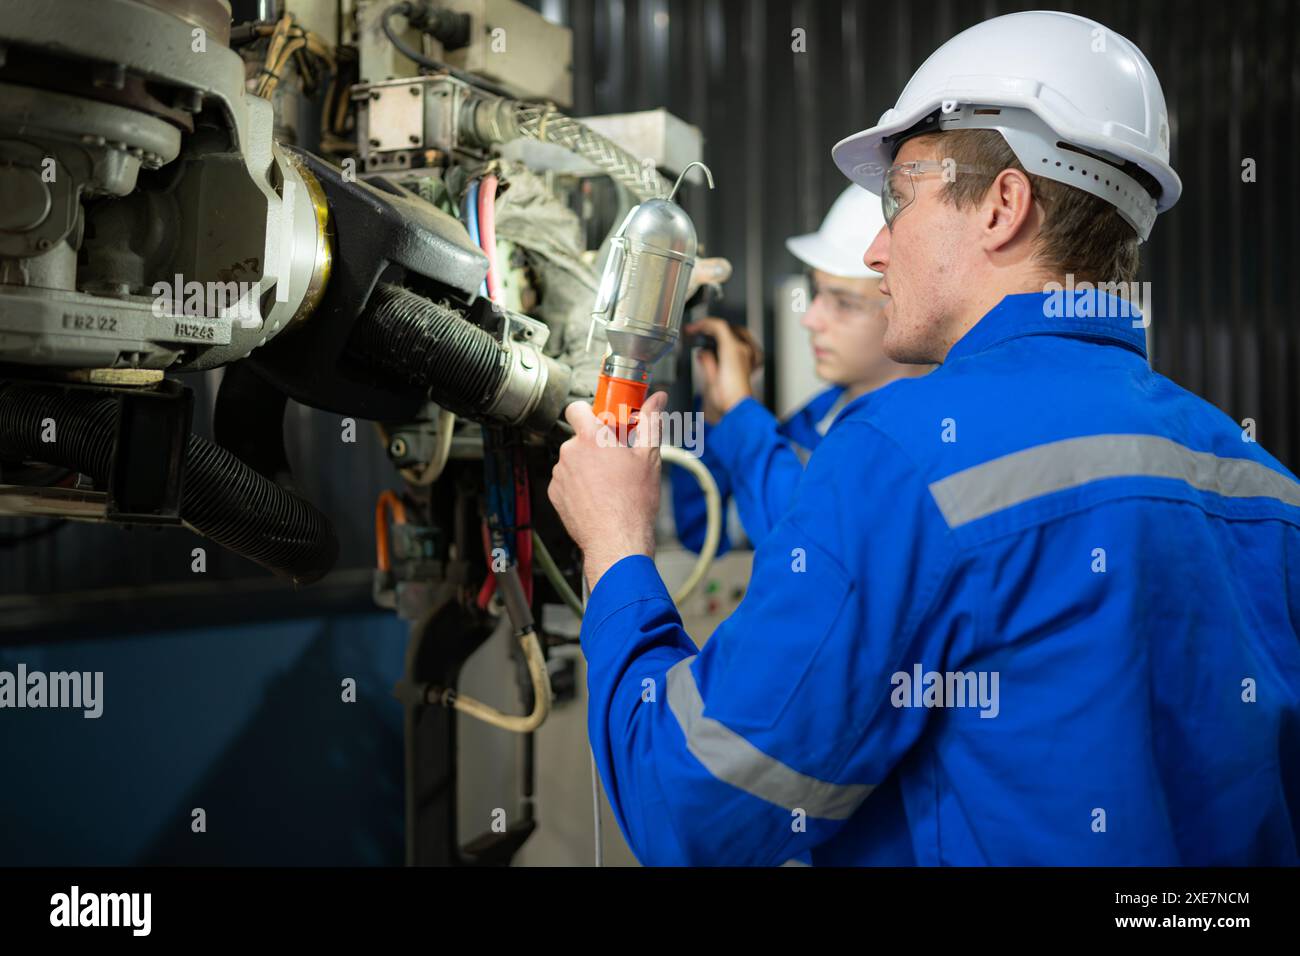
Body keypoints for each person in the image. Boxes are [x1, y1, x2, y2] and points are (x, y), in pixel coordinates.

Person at [547, 10, 1300, 865]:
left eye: (897, 201)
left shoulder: (905, 457)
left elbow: (688, 803)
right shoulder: (1268, 491)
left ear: (1003, 208)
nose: (874, 249)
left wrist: (613, 545)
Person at [671, 185, 930, 554]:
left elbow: (812, 549)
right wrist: (716, 414)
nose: (810, 318)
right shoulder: (816, 421)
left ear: (910, 306)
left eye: (843, 302)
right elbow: (709, 538)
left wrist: (742, 414)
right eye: (816, 292)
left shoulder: (925, 437)